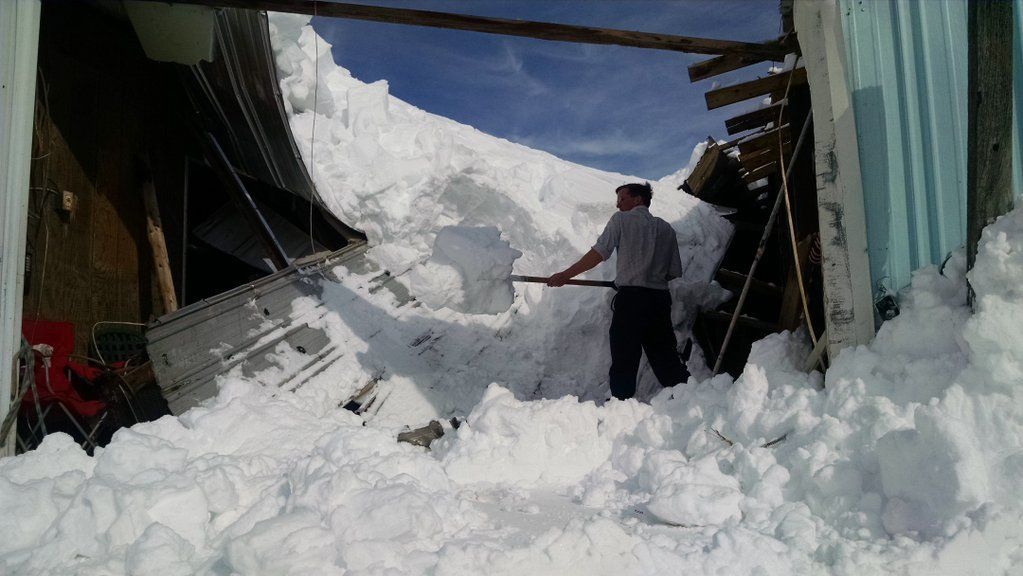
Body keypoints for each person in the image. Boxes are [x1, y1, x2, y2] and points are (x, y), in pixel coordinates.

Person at [547, 182, 689, 400]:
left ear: (638, 199)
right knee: (665, 358)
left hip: (631, 301)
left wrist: (566, 275)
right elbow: (672, 272)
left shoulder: (621, 220)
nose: (618, 205)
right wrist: (647, 275)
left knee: (625, 356)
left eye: (622, 199)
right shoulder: (666, 229)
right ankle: (689, 398)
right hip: (659, 302)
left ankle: (621, 405)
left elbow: (599, 253)